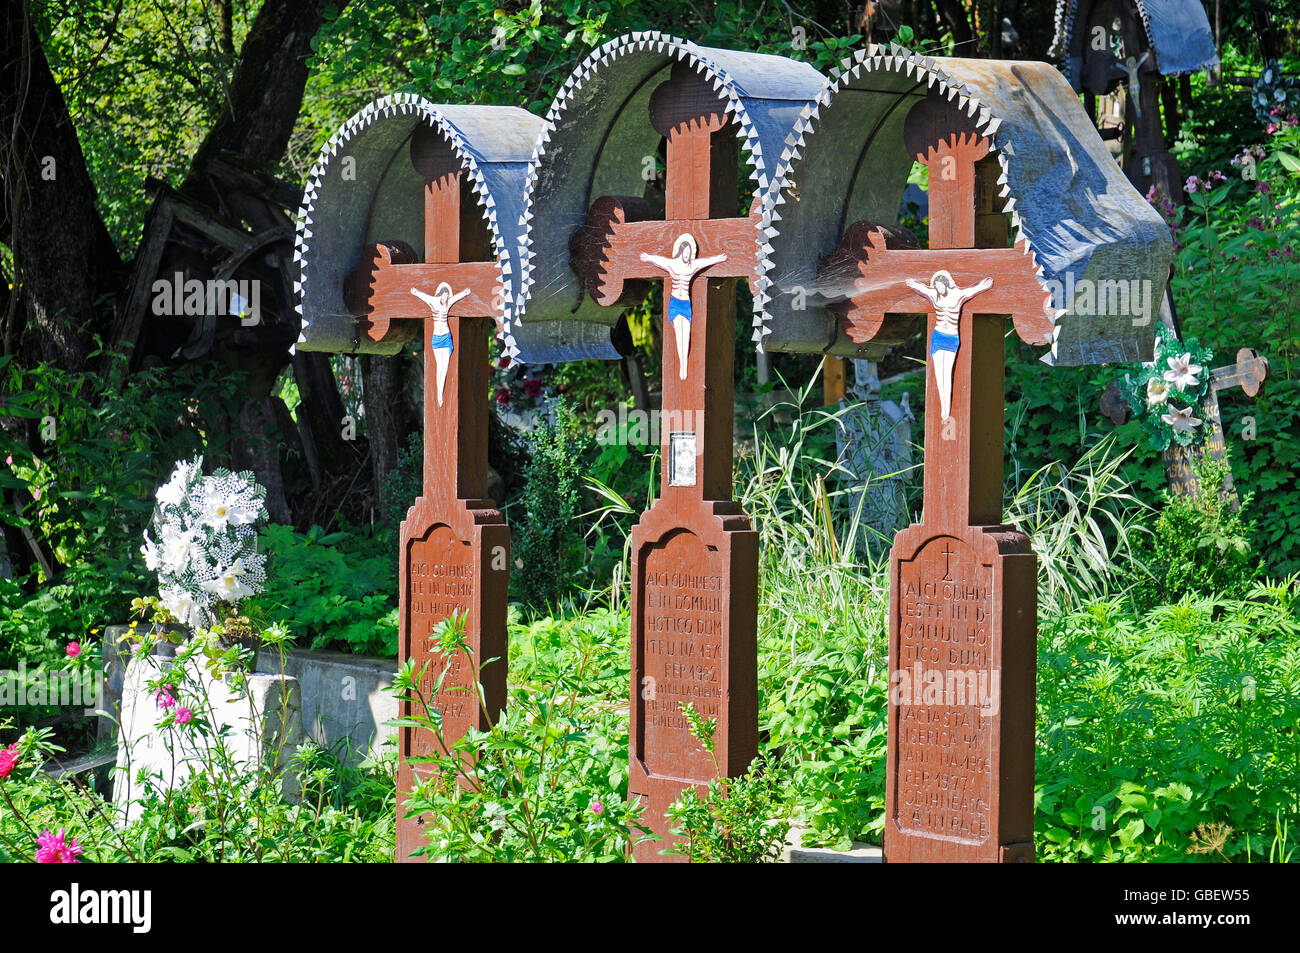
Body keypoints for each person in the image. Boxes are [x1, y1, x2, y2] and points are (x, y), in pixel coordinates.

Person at [905, 270, 993, 421]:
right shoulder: (934, 295)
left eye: (941, 286)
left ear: (946, 284)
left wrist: (983, 286)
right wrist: (912, 283)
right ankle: (944, 411)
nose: (939, 289)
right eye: (937, 286)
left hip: (952, 338)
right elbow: (922, 289)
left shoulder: (957, 295)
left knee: (947, 372)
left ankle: (947, 408)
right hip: (938, 336)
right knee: (940, 374)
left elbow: (972, 290)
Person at [639, 234, 727, 380]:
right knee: (679, 332)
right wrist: (648, 257)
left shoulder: (691, 266)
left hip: (686, 304)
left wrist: (718, 259)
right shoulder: (673, 264)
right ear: (680, 252)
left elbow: (705, 262)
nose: (687, 255)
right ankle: (683, 366)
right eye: (685, 252)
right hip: (675, 303)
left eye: (689, 253)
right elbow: (660, 261)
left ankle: (684, 364)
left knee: (685, 334)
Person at [411, 283, 470, 406]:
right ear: (440, 294)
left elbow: (456, 298)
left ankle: (440, 395)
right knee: (440, 367)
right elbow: (424, 297)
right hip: (437, 339)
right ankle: (439, 395)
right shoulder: (433, 301)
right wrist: (416, 292)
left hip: (446, 337)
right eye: (444, 296)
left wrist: (464, 292)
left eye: (447, 297)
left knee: (445, 365)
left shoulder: (447, 303)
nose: (445, 299)